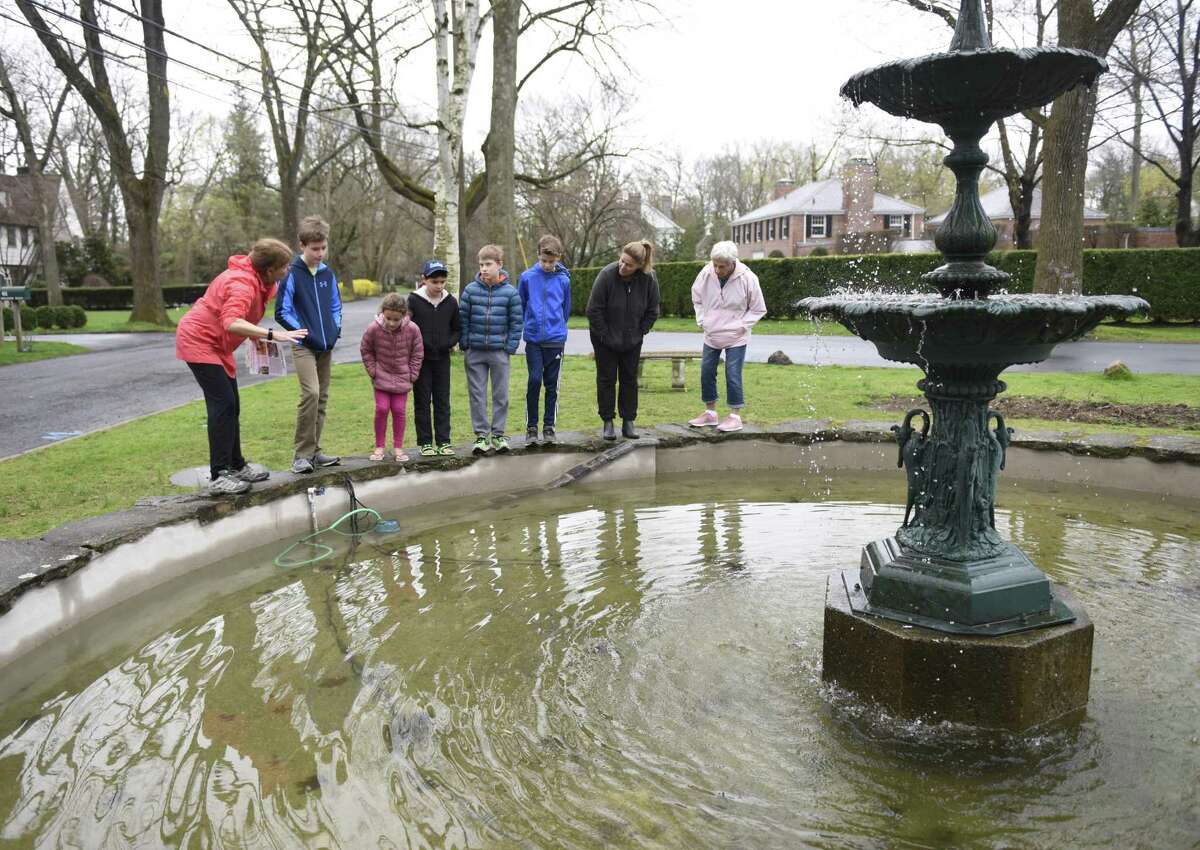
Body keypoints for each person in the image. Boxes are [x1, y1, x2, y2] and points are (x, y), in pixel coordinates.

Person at [176, 239, 307, 496]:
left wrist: (256, 338)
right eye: (284, 267)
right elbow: (231, 321)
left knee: (232, 403)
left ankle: (236, 464)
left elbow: (241, 319)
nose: (287, 270)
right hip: (199, 340)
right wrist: (271, 335)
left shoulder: (261, 280)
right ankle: (220, 474)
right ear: (269, 270)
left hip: (218, 345)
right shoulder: (242, 284)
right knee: (222, 404)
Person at [275, 215, 342, 474]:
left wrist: (335, 329)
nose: (320, 253)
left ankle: (315, 452)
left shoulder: (328, 273)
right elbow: (283, 311)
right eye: (315, 249)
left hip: (326, 346)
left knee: (322, 398)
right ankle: (301, 455)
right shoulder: (292, 273)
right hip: (303, 345)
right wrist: (302, 332)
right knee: (311, 393)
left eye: (323, 247)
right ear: (302, 246)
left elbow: (336, 305)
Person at [688, 241, 767, 433]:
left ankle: (734, 416)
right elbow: (696, 296)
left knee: (732, 374)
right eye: (715, 264)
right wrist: (702, 320)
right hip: (712, 333)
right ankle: (710, 413)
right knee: (706, 372)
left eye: (721, 266)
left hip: (736, 337)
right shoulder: (706, 273)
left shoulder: (748, 278)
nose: (717, 269)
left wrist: (742, 326)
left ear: (732, 263)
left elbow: (758, 308)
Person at [586, 240, 660, 440]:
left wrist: (640, 332)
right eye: (621, 261)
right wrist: (605, 335)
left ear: (639, 266)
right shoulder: (606, 275)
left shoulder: (649, 279)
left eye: (629, 265)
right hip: (604, 339)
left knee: (629, 379)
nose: (622, 266)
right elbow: (593, 310)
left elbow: (653, 310)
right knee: (606, 379)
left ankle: (629, 421)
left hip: (632, 340)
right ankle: (608, 422)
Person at [459, 245, 522, 455]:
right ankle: (481, 436)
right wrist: (465, 343)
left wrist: (509, 347)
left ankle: (498, 435)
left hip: (499, 352)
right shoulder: (470, 290)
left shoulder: (511, 293)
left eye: (488, 264)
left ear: (499, 265)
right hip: (475, 352)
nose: (484, 269)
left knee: (500, 394)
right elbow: (463, 319)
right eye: (481, 265)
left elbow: (516, 323)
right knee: (477, 395)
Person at [518, 235, 571, 444]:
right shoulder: (527, 277)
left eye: (552, 261)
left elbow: (565, 310)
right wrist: (529, 325)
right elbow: (521, 304)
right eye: (544, 261)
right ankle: (531, 427)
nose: (548, 265)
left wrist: (556, 327)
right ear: (538, 256)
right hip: (533, 341)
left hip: (555, 341)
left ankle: (549, 427)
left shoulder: (564, 280)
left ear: (558, 258)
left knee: (551, 385)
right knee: (534, 381)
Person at [361, 293, 424, 462]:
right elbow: (365, 349)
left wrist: (413, 373)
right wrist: (373, 370)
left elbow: (418, 353)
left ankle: (398, 447)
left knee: (399, 411)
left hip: (403, 378)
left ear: (404, 316)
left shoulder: (413, 329)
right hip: (381, 377)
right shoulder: (373, 328)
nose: (391, 323)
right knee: (381, 409)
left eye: (396, 319)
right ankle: (379, 446)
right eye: (388, 318)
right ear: (383, 313)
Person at [407, 259, 461, 457]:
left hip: (442, 359)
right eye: (434, 282)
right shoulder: (413, 301)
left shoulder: (450, 301)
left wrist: (449, 342)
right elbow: (406, 328)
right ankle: (425, 442)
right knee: (422, 400)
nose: (439, 286)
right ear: (424, 280)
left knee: (442, 400)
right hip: (421, 360)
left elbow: (457, 329)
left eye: (442, 282)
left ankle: (444, 441)